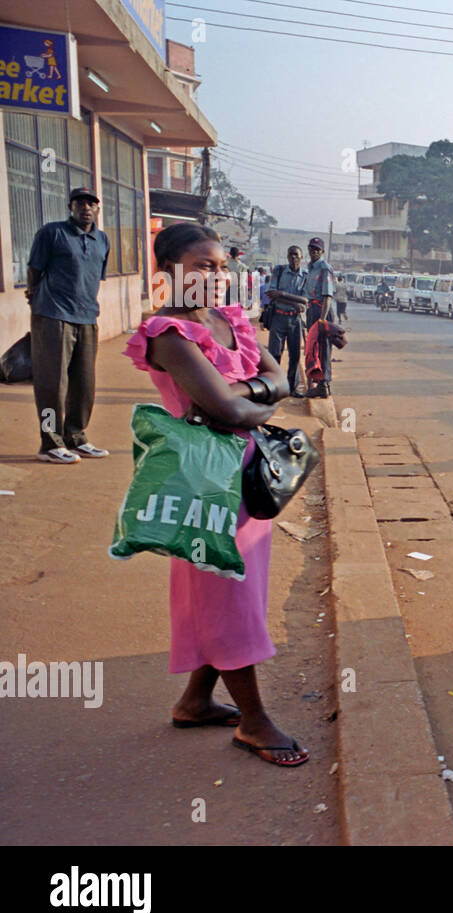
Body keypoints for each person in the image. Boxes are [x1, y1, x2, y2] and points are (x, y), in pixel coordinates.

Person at [123, 222, 308, 767]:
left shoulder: (230, 322)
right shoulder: (167, 336)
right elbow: (227, 413)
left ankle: (196, 701)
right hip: (206, 487)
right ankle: (254, 722)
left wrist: (242, 395)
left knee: (233, 591)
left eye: (222, 266)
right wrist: (249, 400)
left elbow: (279, 386)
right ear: (170, 272)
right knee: (225, 594)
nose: (217, 276)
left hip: (250, 484)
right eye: (203, 266)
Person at [25, 186, 112, 464]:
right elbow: (34, 270)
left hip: (86, 316)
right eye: (79, 203)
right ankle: (50, 442)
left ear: (97, 209)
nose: (86, 207)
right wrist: (35, 296)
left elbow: (94, 277)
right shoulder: (52, 233)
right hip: (53, 315)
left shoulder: (102, 240)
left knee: (84, 383)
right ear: (70, 207)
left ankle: (76, 436)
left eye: (91, 203)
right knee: (52, 384)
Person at [264, 246, 309, 397]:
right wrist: (295, 302)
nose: (293, 257)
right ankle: (274, 386)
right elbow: (271, 293)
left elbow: (305, 300)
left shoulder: (306, 276)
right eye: (291, 254)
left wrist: (282, 294)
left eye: (296, 255)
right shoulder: (279, 270)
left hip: (295, 320)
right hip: (278, 317)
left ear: (302, 257)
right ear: (287, 256)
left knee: (295, 355)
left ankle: (292, 387)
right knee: (275, 354)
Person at [303, 237, 335, 398]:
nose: (314, 252)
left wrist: (322, 320)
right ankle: (318, 382)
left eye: (317, 249)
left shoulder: (324, 268)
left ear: (322, 252)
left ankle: (324, 384)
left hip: (322, 310)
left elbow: (327, 296)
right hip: (312, 309)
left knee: (323, 348)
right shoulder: (311, 268)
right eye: (312, 249)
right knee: (313, 348)